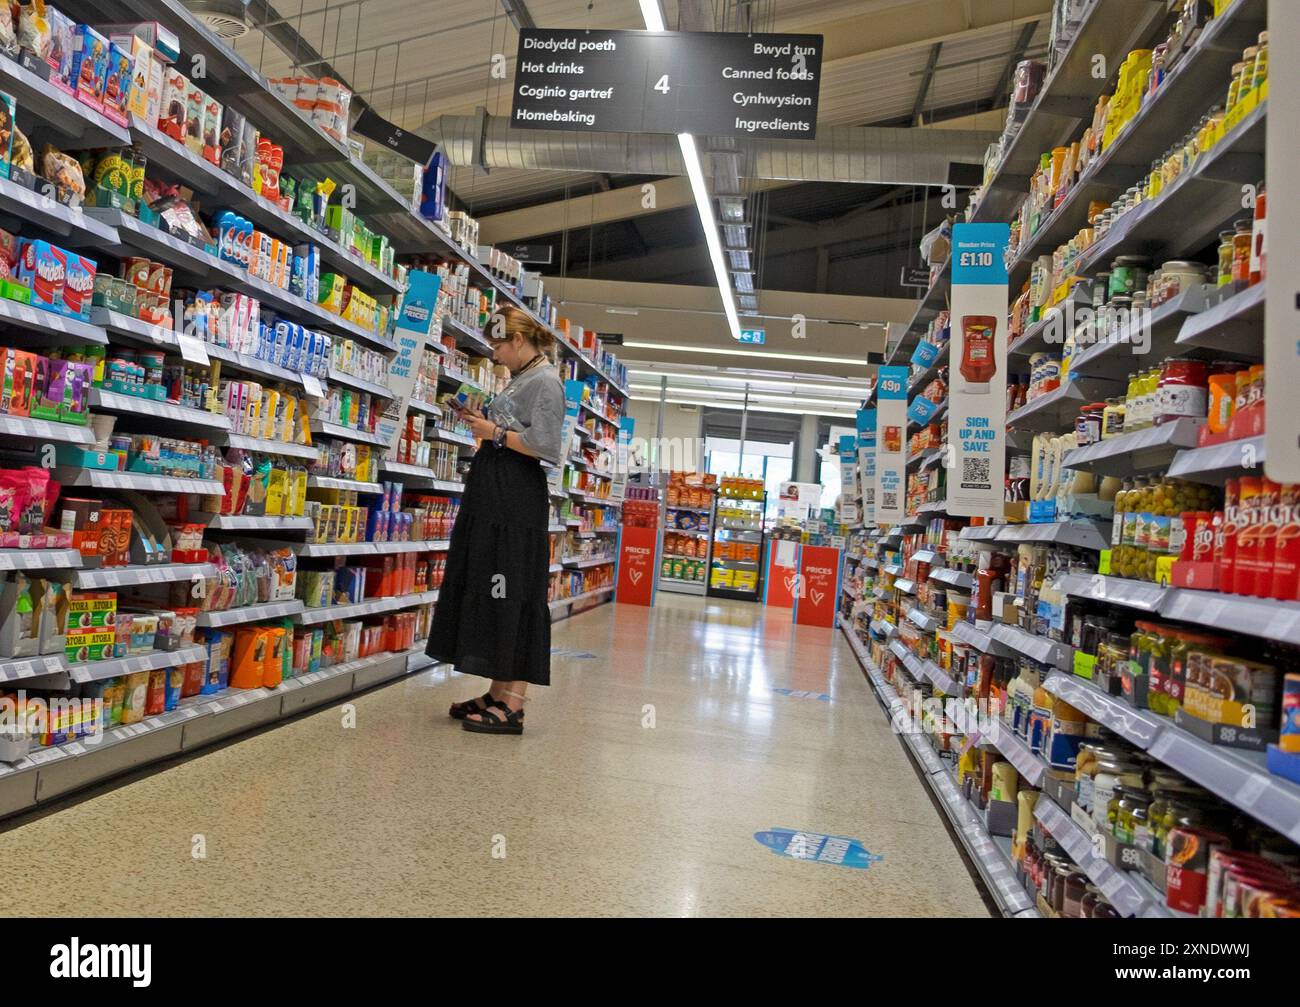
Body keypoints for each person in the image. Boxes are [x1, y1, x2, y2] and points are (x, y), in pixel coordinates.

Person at [426, 305, 566, 735]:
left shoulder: (545, 381)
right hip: (495, 492)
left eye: (499, 345)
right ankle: (497, 690)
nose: (495, 354)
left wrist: (495, 434)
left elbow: (545, 445)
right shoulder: (523, 376)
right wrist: (481, 423)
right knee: (493, 583)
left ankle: (516, 702)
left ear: (518, 341)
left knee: (513, 585)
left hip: (515, 499)